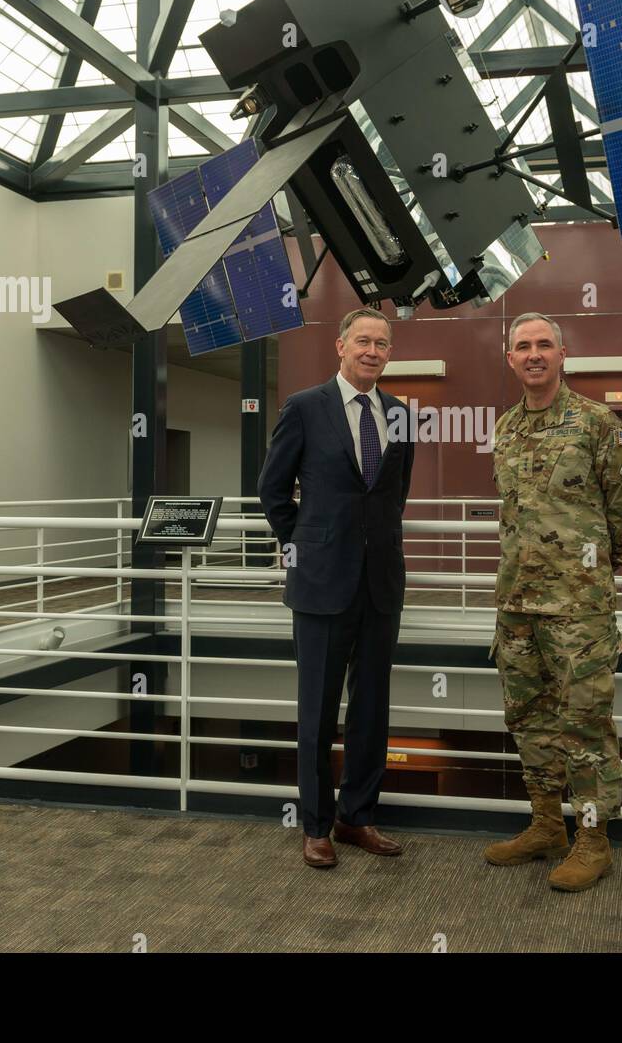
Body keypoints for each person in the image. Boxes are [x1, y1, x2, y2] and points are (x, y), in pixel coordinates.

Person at [484, 312, 622, 891]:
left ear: (562, 354)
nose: (533, 354)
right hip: (518, 604)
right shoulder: (504, 428)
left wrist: (605, 563)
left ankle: (593, 840)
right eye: (523, 346)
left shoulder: (596, 423)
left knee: (585, 723)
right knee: (528, 717)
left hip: (578, 610)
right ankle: (546, 824)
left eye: (544, 345)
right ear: (510, 358)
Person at [258, 307, 414, 868]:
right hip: (321, 582)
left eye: (383, 343)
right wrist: (305, 542)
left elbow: (395, 495)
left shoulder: (399, 414)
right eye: (363, 341)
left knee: (372, 710)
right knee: (318, 712)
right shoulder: (304, 408)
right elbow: (272, 489)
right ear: (340, 346)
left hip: (380, 585)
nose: (373, 351)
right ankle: (317, 825)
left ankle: (357, 818)